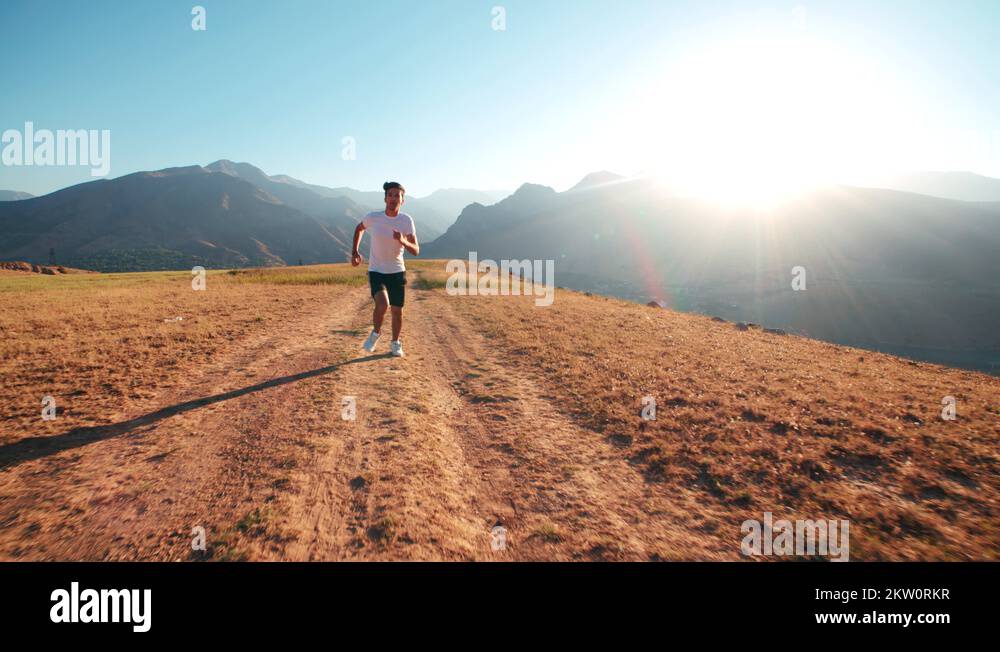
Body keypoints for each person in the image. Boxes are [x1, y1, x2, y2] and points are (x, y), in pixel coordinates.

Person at [351, 181, 419, 357]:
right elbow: (359, 229)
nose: (393, 198)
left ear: (403, 200)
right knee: (382, 304)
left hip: (397, 270)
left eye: (397, 195)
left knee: (397, 311)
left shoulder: (406, 220)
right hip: (376, 270)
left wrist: (402, 240)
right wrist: (355, 251)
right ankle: (376, 333)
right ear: (385, 198)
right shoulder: (373, 217)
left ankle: (396, 343)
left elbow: (416, 250)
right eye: (390, 195)